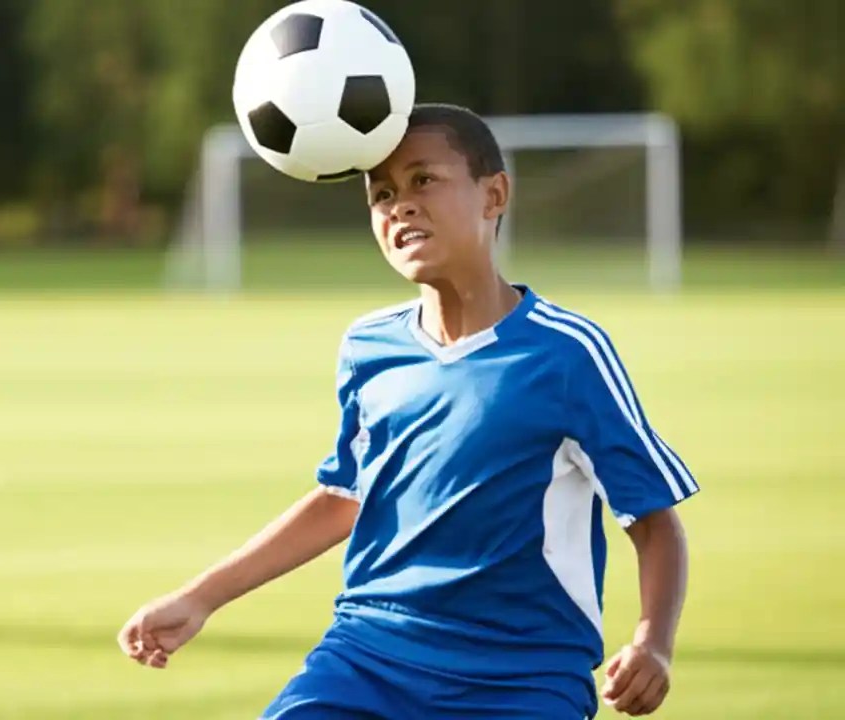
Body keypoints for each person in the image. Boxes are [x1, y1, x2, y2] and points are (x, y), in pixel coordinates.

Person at [118, 104, 698, 718]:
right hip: (366, 658)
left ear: (494, 194)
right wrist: (200, 598)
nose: (401, 204)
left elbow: (653, 520)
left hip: (520, 677)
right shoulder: (369, 347)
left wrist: (652, 643)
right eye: (383, 193)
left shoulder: (568, 354)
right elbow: (345, 497)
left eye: (424, 180)